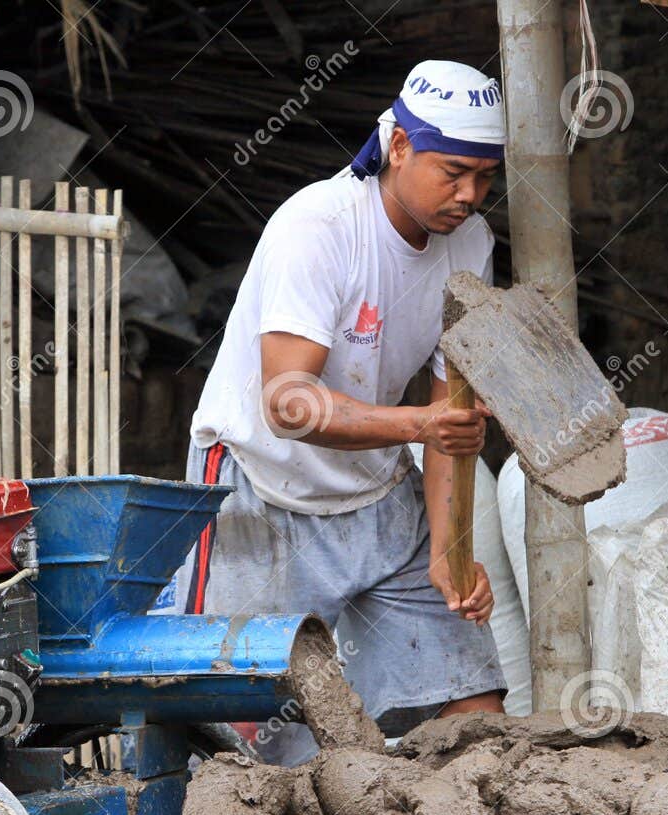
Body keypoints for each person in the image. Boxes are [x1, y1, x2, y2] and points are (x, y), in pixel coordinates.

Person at [176, 60, 509, 764]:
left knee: (475, 704)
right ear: (399, 148)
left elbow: (454, 411)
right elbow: (288, 404)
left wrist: (453, 555)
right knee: (230, 740)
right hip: (261, 490)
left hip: (377, 497)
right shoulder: (320, 227)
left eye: (485, 177)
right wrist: (419, 425)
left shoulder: (471, 245)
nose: (470, 195)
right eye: (453, 172)